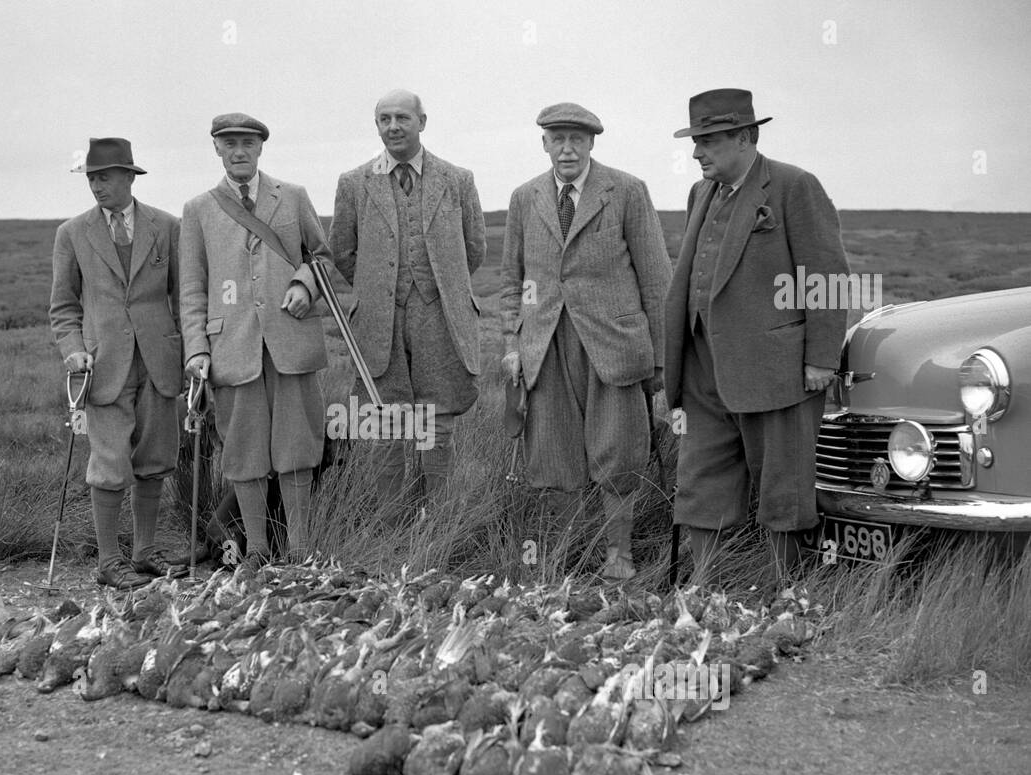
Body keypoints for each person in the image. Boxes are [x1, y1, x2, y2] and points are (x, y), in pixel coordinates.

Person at [663, 89, 849, 583]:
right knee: (701, 479)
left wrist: (821, 360)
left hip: (776, 368)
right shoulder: (700, 193)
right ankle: (704, 587)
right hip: (704, 366)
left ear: (746, 137)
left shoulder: (794, 186)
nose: (698, 151)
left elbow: (826, 276)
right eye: (695, 140)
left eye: (709, 140)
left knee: (782, 486)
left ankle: (787, 590)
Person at [500, 103, 670, 579]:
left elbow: (657, 282)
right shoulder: (524, 198)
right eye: (558, 138)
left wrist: (660, 362)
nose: (567, 148)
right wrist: (512, 346)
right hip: (545, 345)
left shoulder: (627, 191)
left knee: (618, 453)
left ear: (593, 143)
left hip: (614, 347)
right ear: (544, 144)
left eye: (577, 138)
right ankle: (565, 556)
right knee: (553, 455)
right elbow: (512, 281)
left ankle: (620, 555)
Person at [179, 113, 334, 564]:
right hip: (232, 347)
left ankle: (301, 551)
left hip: (291, 341)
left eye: (247, 142)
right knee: (244, 452)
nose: (239, 151)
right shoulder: (199, 210)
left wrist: (305, 285)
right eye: (229, 144)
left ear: (261, 147)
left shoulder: (293, 197)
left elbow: (322, 257)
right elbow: (192, 288)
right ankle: (257, 554)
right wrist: (197, 351)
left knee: (297, 447)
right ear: (216, 149)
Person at [329, 89, 486, 505]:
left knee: (437, 421)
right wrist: (380, 289)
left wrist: (437, 290)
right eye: (385, 119)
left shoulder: (457, 180)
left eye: (402, 117)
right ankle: (391, 526)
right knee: (384, 420)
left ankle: (441, 523)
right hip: (380, 321)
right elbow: (342, 252)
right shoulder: (354, 183)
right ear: (377, 125)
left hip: (440, 318)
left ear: (422, 122)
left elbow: (474, 249)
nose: (393, 126)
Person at [49, 137, 185, 590]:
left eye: (104, 176)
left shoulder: (167, 226)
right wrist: (73, 349)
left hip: (160, 360)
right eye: (90, 177)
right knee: (109, 463)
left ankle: (144, 553)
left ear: (129, 176)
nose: (96, 185)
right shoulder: (72, 233)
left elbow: (185, 298)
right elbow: (63, 307)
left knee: (155, 458)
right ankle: (109, 562)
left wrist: (193, 350)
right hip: (102, 365)